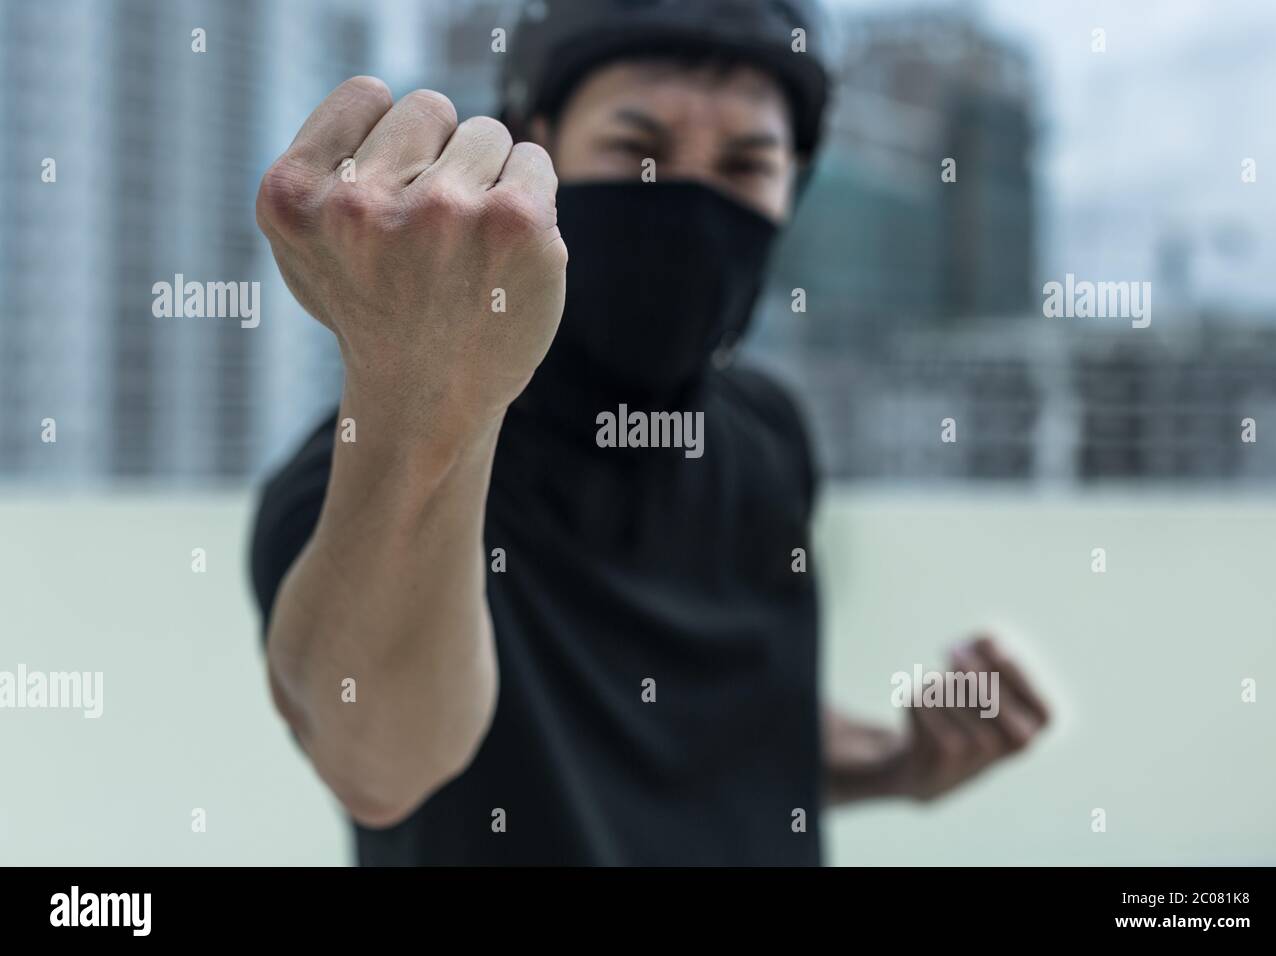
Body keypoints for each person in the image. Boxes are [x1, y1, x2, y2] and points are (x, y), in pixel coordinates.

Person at [250, 0, 1050, 865]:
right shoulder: (358, 474)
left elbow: (712, 736)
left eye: (747, 164)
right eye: (637, 152)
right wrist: (414, 386)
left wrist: (898, 764)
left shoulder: (767, 438)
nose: (689, 200)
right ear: (536, 153)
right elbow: (380, 761)